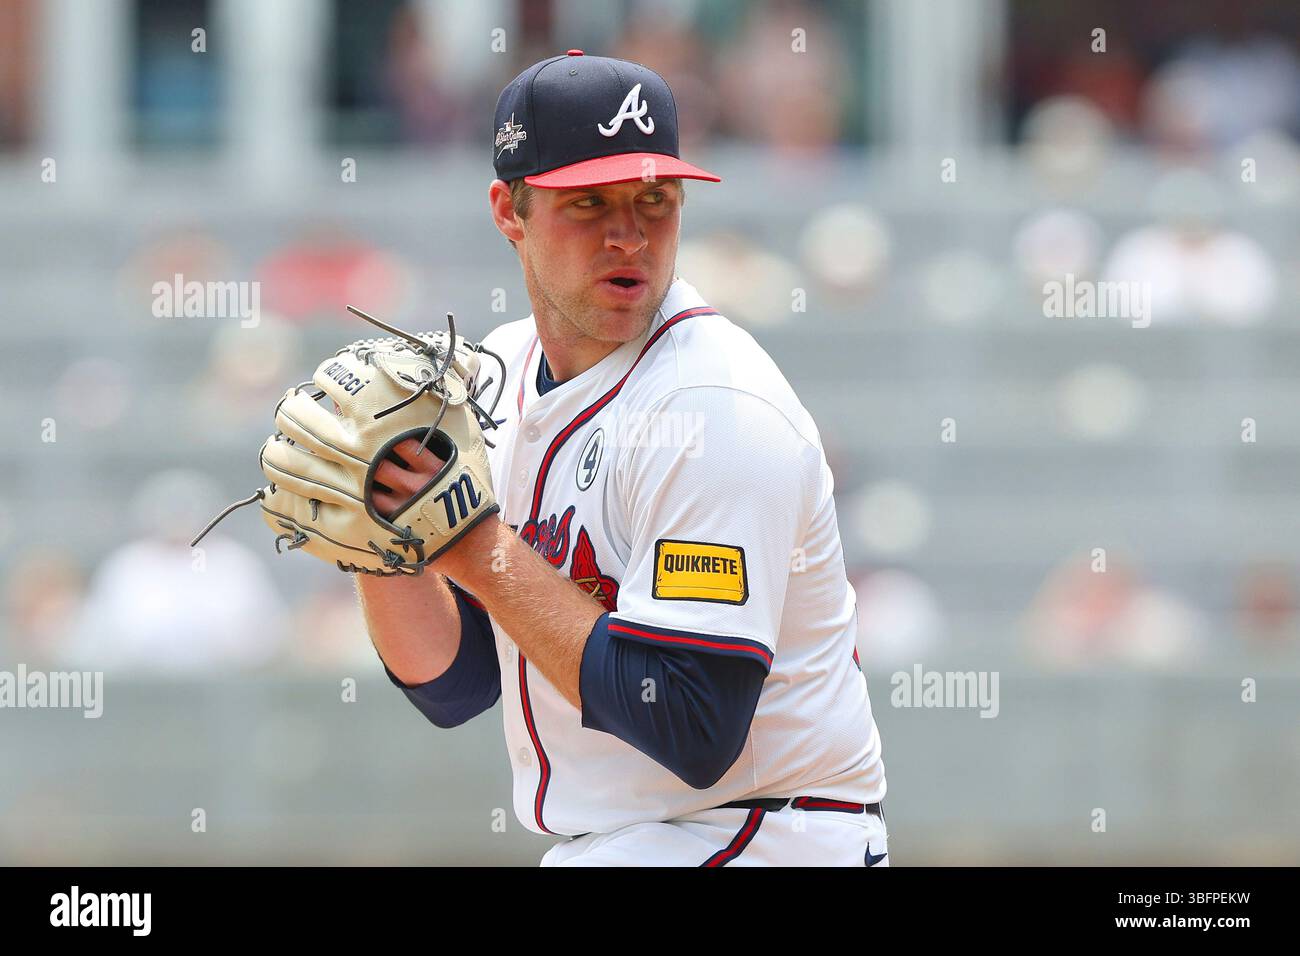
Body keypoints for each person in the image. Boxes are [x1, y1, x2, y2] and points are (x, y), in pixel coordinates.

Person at [357, 51, 887, 866]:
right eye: (589, 202)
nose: (628, 235)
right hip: (636, 841)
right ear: (510, 209)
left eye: (655, 200)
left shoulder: (715, 406)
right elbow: (462, 684)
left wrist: (470, 543)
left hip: (759, 833)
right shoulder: (496, 376)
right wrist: (383, 545)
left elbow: (690, 722)